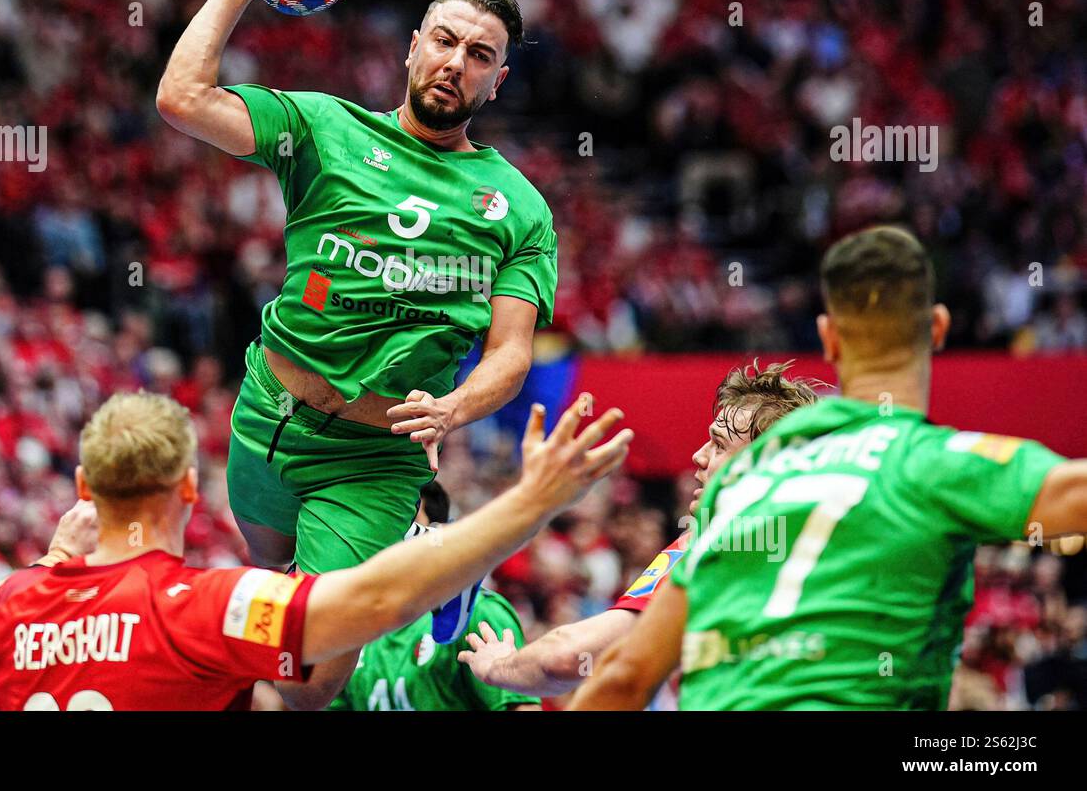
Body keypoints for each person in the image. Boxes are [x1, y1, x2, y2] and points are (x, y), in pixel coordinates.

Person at [156, 0, 558, 707]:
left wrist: (453, 409)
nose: (456, 63)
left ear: (498, 80)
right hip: (265, 412)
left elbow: (512, 354)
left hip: (373, 460)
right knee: (270, 588)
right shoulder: (323, 127)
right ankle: (420, 574)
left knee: (306, 680)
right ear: (414, 46)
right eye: (444, 41)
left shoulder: (519, 208)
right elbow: (181, 97)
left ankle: (420, 578)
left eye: (481, 55)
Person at [570, 226, 1087, 710]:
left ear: (829, 337)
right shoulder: (935, 463)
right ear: (937, 329)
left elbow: (624, 677)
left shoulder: (737, 489)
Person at [0, 390, 629, 710]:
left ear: (85, 486)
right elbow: (373, 599)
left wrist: (51, 564)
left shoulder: (2, 610)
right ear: (186, 489)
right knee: (311, 686)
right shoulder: (203, 606)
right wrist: (532, 501)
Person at [458, 362, 819, 698]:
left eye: (720, 444)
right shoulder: (832, 541)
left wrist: (499, 666)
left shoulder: (717, 542)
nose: (699, 455)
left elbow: (569, 658)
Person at [327, 481, 540, 711]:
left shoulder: (480, 612)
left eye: (408, 521)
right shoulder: (355, 630)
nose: (389, 531)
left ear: (437, 535)